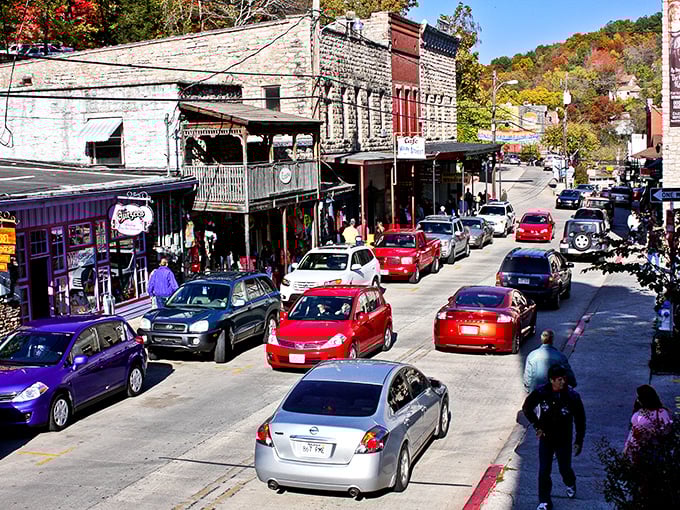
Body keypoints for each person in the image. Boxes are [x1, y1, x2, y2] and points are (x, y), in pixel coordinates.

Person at [523, 365, 586, 510]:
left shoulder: (573, 397)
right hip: (546, 437)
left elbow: (580, 420)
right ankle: (544, 501)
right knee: (544, 469)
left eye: (564, 378)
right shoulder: (541, 392)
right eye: (559, 379)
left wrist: (578, 441)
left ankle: (570, 482)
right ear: (552, 380)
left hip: (564, 438)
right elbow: (527, 408)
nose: (563, 382)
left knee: (564, 468)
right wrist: (537, 425)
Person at [623, 384, 673, 460]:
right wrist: (626, 448)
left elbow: (667, 432)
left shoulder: (661, 413)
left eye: (639, 397)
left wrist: (651, 432)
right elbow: (632, 431)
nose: (637, 399)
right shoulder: (639, 411)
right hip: (634, 450)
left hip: (650, 450)